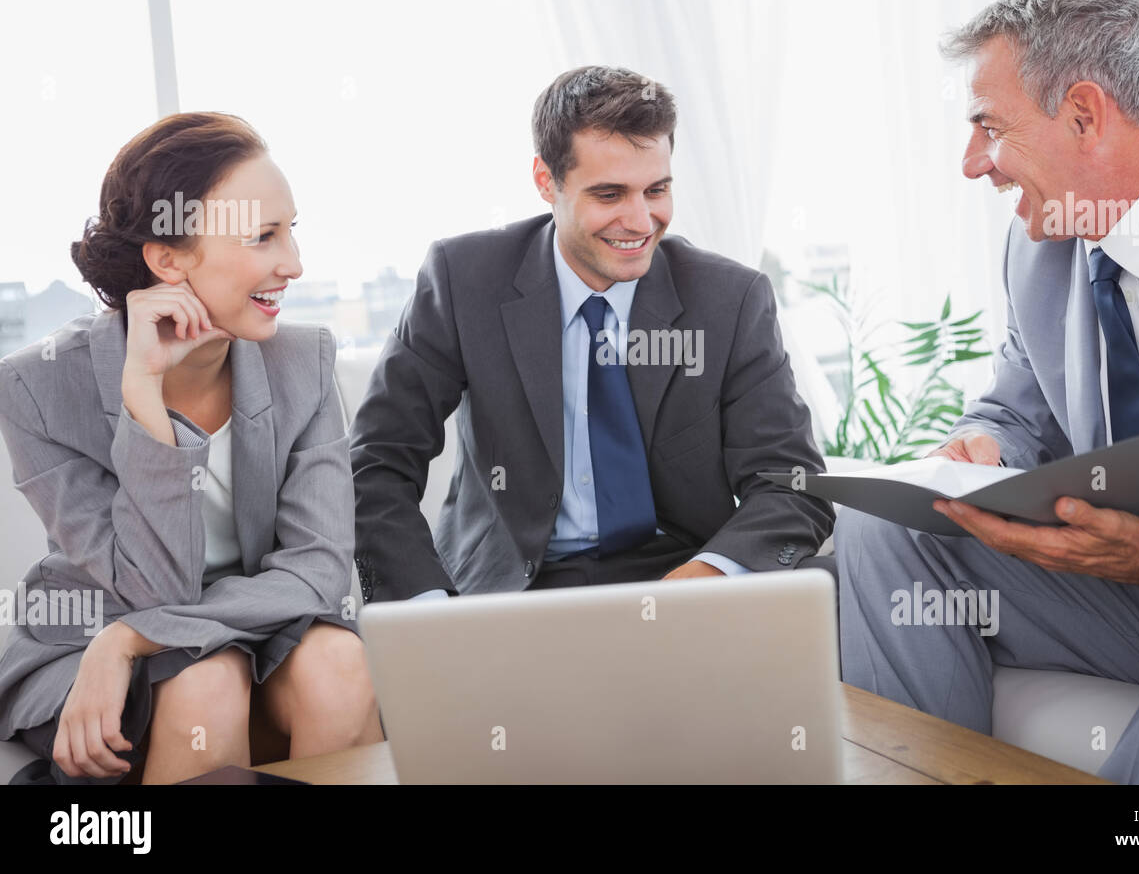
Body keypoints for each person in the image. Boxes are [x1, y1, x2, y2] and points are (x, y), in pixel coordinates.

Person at [836, 0, 1139, 783]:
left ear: (1085, 113)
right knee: (886, 531)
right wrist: (981, 443)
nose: (974, 162)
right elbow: (1020, 406)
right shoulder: (1038, 246)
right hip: (1121, 591)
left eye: (989, 126)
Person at [351, 65, 834, 601]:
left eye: (656, 190)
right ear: (545, 182)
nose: (640, 220)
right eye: (609, 195)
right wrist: (426, 607)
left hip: (679, 579)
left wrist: (707, 579)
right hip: (504, 589)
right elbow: (377, 462)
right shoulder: (463, 279)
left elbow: (792, 485)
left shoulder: (730, 300)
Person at [0, 112, 383, 784]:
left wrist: (133, 641)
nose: (292, 264)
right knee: (207, 682)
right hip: (95, 631)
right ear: (167, 259)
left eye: (292, 230)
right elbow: (150, 586)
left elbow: (318, 573)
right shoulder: (36, 386)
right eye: (263, 236)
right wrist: (144, 397)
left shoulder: (305, 361)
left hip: (243, 629)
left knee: (340, 669)